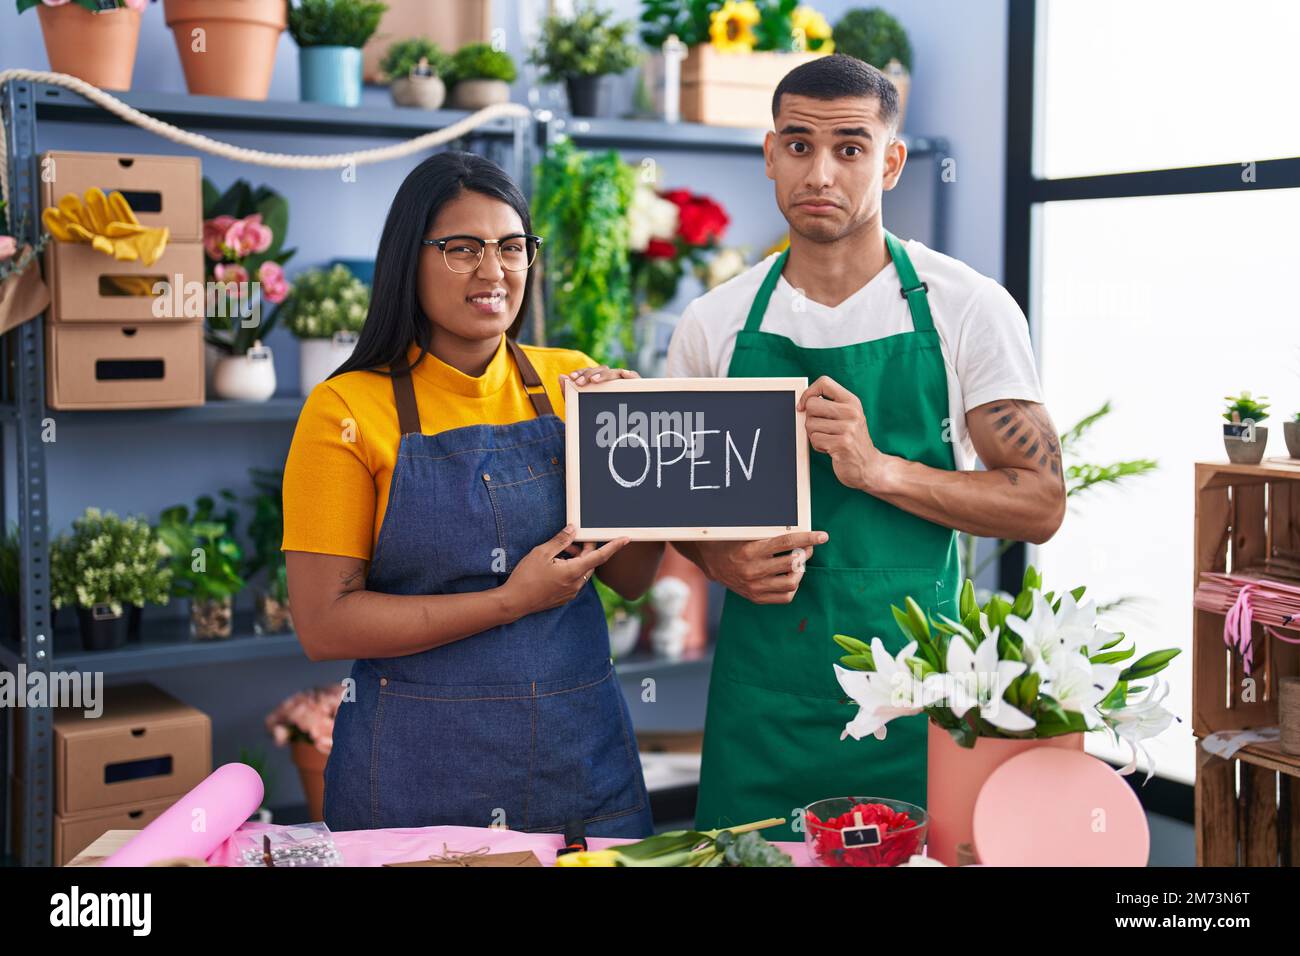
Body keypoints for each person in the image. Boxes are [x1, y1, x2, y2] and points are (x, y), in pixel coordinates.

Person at [667, 55, 1068, 839]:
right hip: (762, 711)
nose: (820, 172)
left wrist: (879, 469)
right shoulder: (714, 323)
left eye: (850, 148)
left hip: (917, 705)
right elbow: (679, 510)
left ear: (890, 161)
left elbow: (1041, 502)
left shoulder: (968, 309)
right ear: (770, 154)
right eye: (798, 145)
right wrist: (717, 560)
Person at [282, 151, 662, 837]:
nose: (494, 272)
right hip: (417, 780)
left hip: (581, 766)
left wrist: (641, 450)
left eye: (512, 247)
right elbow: (323, 623)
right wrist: (511, 601)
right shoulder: (345, 409)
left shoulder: (572, 382)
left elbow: (632, 579)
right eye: (463, 249)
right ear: (409, 259)